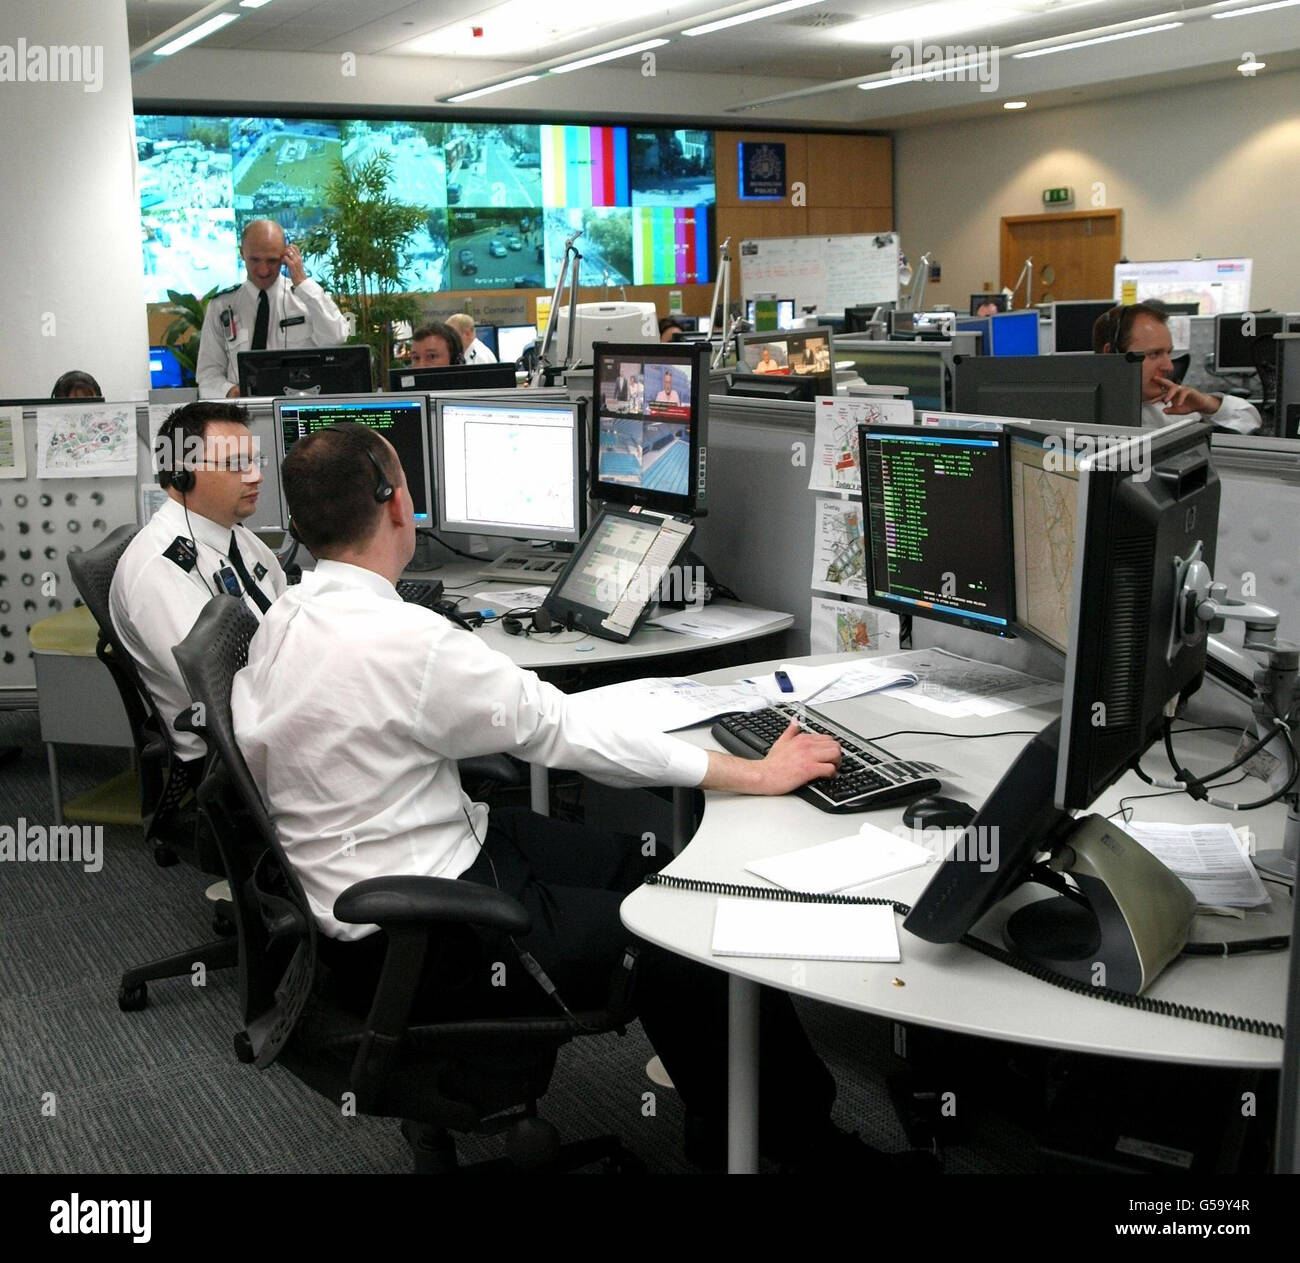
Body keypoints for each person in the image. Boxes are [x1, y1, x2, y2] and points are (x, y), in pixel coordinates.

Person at [230, 423, 897, 1170]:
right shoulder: (405, 640)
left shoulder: (286, 613)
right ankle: (805, 1145)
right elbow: (562, 731)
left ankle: (723, 1116)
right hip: (428, 928)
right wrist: (748, 771)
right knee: (695, 933)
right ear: (394, 506)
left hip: (398, 877)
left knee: (662, 868)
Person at [111, 401, 286, 765]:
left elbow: (283, 610)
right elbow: (219, 689)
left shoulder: (235, 536)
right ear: (181, 475)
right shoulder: (159, 570)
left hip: (269, 711)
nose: (256, 476)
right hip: (228, 755)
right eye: (236, 464)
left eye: (255, 461)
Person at [196, 219, 350, 399]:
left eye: (272, 260)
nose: (263, 270)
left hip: (297, 408)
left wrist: (302, 281)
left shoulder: (307, 299)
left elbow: (336, 338)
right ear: (242, 253)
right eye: (255, 260)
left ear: (286, 256)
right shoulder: (221, 305)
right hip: (241, 413)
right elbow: (207, 374)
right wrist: (232, 392)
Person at [1092, 303, 1261, 434]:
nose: (1169, 366)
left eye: (1168, 353)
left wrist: (1207, 404)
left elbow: (1250, 421)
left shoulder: (1170, 411)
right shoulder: (1077, 416)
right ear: (1111, 355)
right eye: (1154, 354)